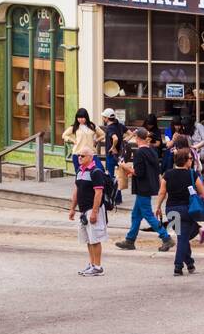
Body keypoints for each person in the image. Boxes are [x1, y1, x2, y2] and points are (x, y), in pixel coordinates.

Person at [115, 127, 174, 252]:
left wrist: (126, 167)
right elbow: (151, 170)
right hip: (149, 186)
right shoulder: (152, 150)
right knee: (136, 214)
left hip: (142, 188)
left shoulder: (140, 152)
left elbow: (139, 172)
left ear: (137, 138)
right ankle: (130, 240)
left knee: (147, 214)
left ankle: (166, 237)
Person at [156, 147, 204, 276]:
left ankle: (190, 264)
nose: (192, 161)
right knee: (183, 238)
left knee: (182, 237)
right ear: (185, 160)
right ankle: (178, 266)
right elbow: (202, 192)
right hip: (186, 210)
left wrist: (157, 207)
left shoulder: (167, 174)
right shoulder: (192, 174)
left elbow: (162, 192)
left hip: (171, 210)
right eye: (190, 158)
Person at [68, 145, 107, 276]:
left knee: (95, 239)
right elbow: (76, 190)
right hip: (83, 210)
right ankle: (92, 264)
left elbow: (98, 193)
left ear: (90, 157)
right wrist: (73, 208)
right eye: (79, 155)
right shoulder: (79, 171)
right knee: (88, 239)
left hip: (92, 209)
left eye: (82, 156)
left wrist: (94, 212)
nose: (79, 157)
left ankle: (98, 266)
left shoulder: (96, 172)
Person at [100, 108, 125, 206]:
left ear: (106, 118)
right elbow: (131, 134)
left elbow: (115, 138)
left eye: (103, 117)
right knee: (119, 176)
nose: (103, 118)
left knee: (110, 177)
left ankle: (111, 198)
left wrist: (113, 147)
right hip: (119, 156)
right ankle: (118, 198)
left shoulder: (110, 128)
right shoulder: (119, 125)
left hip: (111, 156)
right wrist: (123, 142)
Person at [63, 108, 98, 175]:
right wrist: (72, 140)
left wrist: (96, 140)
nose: (80, 120)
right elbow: (64, 135)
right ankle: (79, 185)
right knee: (79, 173)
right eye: (78, 118)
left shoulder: (92, 126)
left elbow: (102, 134)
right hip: (78, 153)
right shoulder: (75, 127)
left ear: (86, 117)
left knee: (97, 170)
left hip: (91, 153)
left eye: (82, 118)